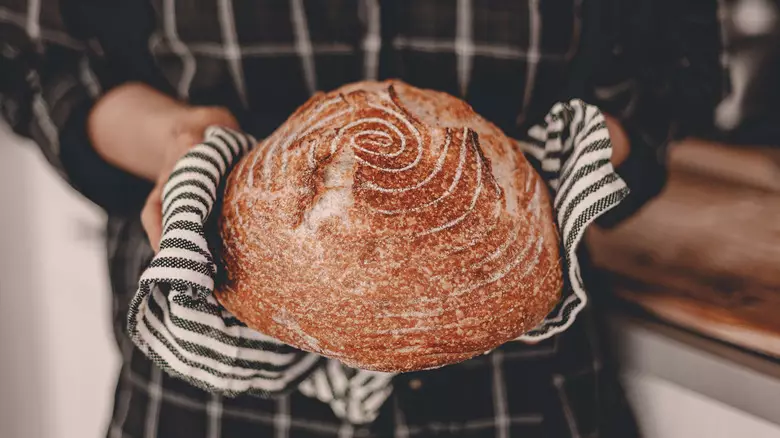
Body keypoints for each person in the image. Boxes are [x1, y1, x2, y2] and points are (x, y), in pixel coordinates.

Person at [0, 0, 723, 436]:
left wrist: (561, 176)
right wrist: (177, 141)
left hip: (523, 403)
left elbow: (676, 63)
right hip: (212, 413)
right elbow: (35, 55)